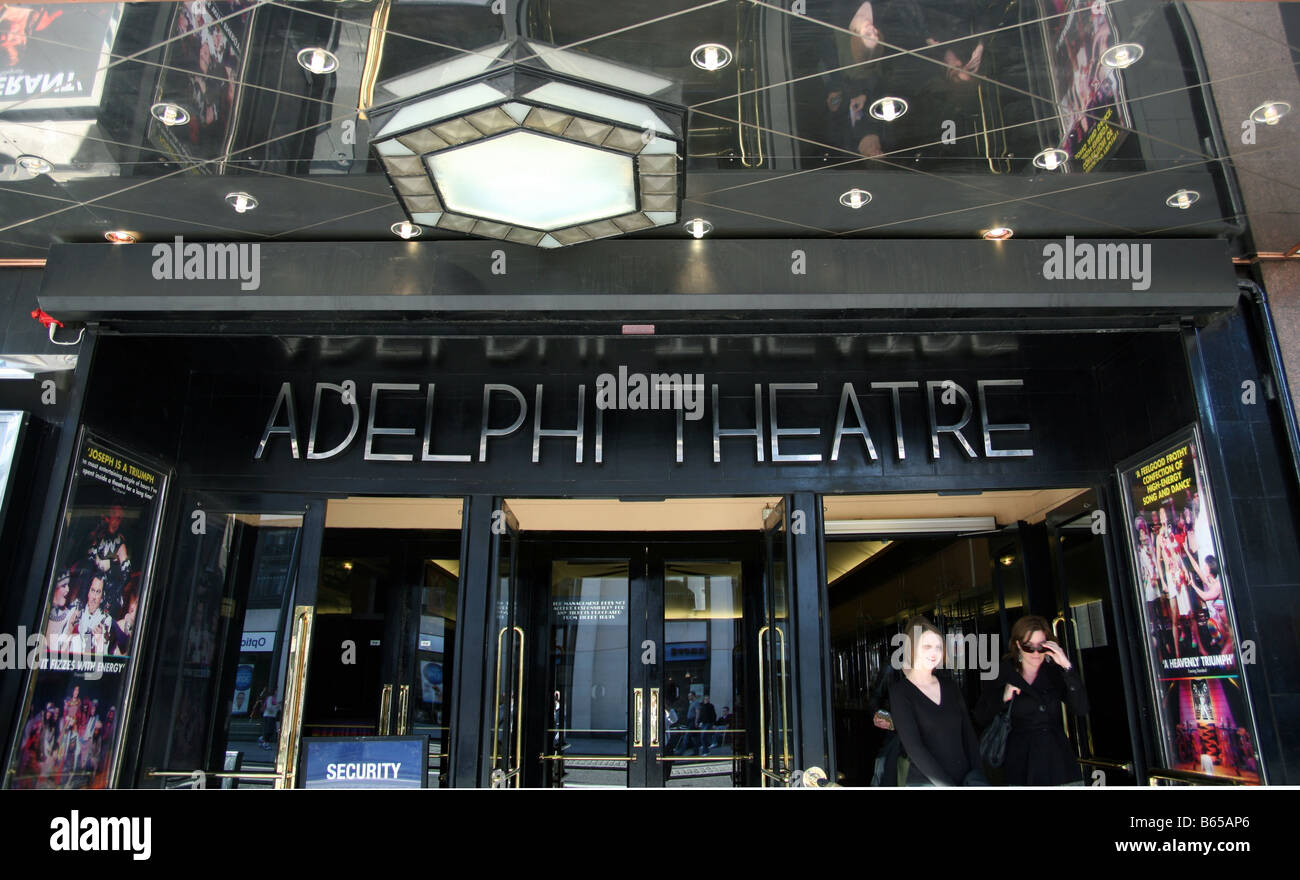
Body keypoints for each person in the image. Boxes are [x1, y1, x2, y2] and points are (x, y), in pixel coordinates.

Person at [976, 615, 1089, 785]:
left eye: (1041, 647)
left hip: (1057, 761)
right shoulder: (1002, 672)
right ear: (1018, 645)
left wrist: (1067, 667)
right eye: (1029, 647)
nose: (1036, 653)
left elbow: (1081, 708)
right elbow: (980, 716)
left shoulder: (1054, 672)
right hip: (1022, 762)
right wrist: (1002, 697)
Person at [888, 616, 984, 786]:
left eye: (938, 647)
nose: (934, 652)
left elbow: (968, 735)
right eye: (927, 646)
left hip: (965, 779)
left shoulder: (950, 687)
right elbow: (915, 748)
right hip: (927, 782)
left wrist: (978, 777)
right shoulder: (900, 692)